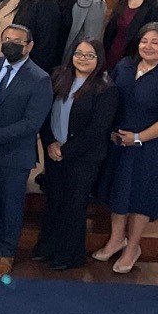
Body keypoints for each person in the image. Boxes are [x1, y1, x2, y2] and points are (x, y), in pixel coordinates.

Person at [98, 23, 158, 274]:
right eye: (144, 41)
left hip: (148, 148)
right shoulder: (124, 66)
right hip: (118, 142)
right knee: (118, 193)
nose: (147, 47)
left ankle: (132, 247)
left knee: (139, 198)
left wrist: (138, 137)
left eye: (155, 42)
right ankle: (117, 239)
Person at [0, 21, 54, 280]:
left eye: (16, 41)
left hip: (15, 153)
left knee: (11, 204)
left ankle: (6, 253)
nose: (9, 43)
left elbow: (32, 123)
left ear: (29, 46)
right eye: (6, 38)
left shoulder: (40, 78)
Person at [35, 38, 119, 271]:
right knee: (54, 201)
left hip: (84, 158)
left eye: (89, 55)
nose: (82, 59)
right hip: (54, 152)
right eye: (78, 54)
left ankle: (69, 255)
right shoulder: (59, 76)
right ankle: (48, 248)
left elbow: (97, 130)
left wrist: (65, 150)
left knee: (74, 205)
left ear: (99, 59)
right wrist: (50, 142)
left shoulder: (106, 88)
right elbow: (44, 112)